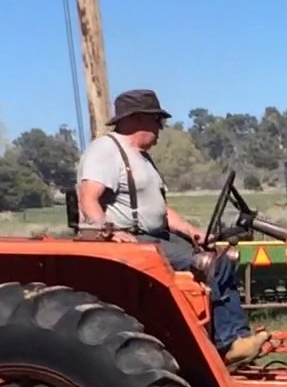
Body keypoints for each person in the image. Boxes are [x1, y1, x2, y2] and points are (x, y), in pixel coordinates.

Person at [75, 88, 268, 366]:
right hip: (131, 241)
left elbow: (161, 209)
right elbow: (88, 198)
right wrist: (109, 233)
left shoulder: (141, 158)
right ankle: (228, 343)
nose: (160, 128)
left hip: (155, 236)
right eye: (157, 121)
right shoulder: (106, 150)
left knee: (222, 256)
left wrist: (192, 231)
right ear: (136, 119)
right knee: (207, 263)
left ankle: (225, 339)